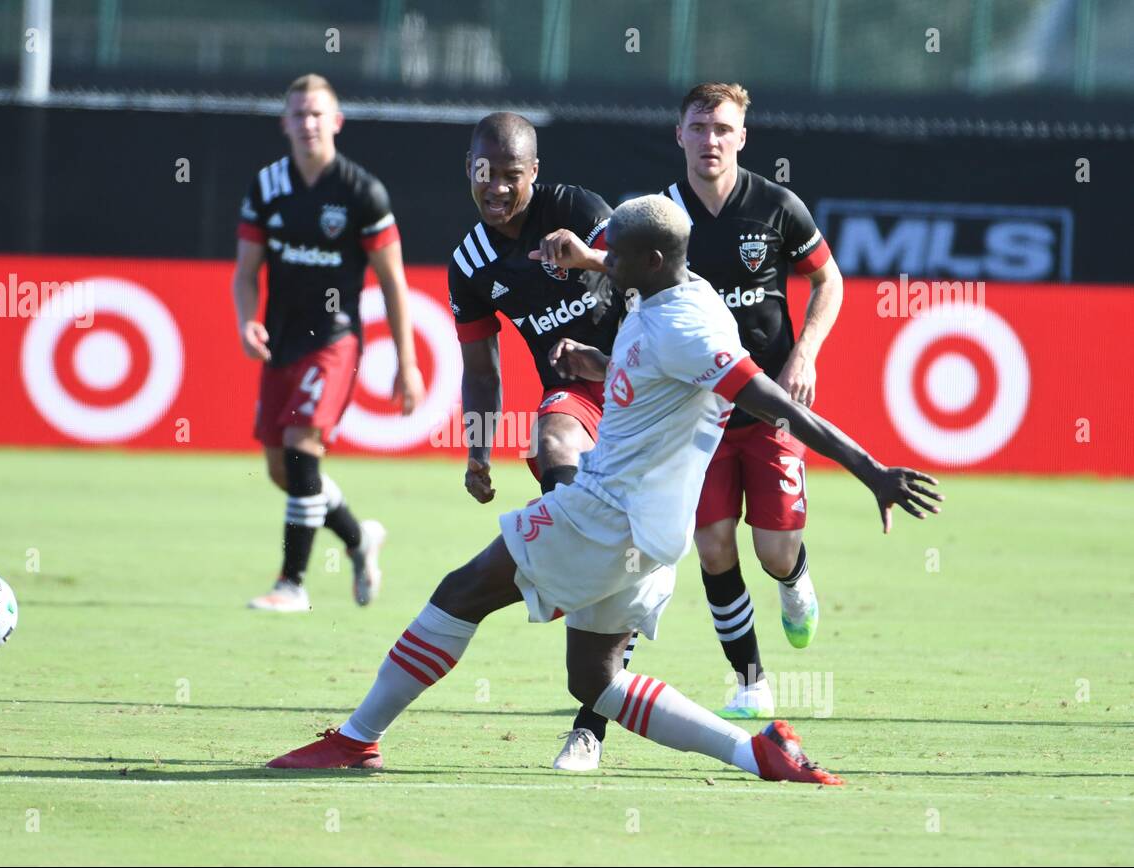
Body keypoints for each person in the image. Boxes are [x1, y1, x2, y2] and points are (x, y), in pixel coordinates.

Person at [265, 195, 942, 784]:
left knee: (461, 591)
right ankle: (756, 753)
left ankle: (357, 738)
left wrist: (871, 471)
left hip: (606, 516)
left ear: (647, 261)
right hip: (652, 535)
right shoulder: (684, 292)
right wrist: (602, 356)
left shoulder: (685, 326)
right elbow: (659, 368)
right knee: (593, 680)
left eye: (610, 253)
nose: (600, 261)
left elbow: (780, 407)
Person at [446, 111, 631, 769]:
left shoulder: (580, 210)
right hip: (578, 397)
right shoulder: (470, 260)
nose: (495, 188)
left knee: (635, 567)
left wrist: (588, 257)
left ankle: (590, 728)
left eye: (510, 176)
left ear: (535, 174)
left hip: (650, 392)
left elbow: (647, 272)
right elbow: (480, 369)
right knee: (552, 439)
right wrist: (476, 449)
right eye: (483, 173)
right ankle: (570, 557)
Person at [663, 82, 845, 719]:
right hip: (696, 415)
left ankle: (795, 581)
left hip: (769, 407)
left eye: (722, 129)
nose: (710, 140)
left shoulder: (776, 206)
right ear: (678, 134)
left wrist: (806, 353)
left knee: (773, 552)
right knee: (712, 546)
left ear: (742, 137)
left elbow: (829, 279)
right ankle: (750, 682)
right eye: (699, 127)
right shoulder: (661, 217)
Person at [232, 74, 425, 612]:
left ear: (336, 122)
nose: (308, 123)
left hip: (334, 340)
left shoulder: (362, 192)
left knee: (300, 449)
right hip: (281, 343)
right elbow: (245, 271)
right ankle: (360, 539)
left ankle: (291, 585)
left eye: (317, 114)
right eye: (298, 114)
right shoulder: (266, 188)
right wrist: (248, 319)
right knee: (283, 468)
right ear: (284, 124)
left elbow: (392, 282)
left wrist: (406, 363)